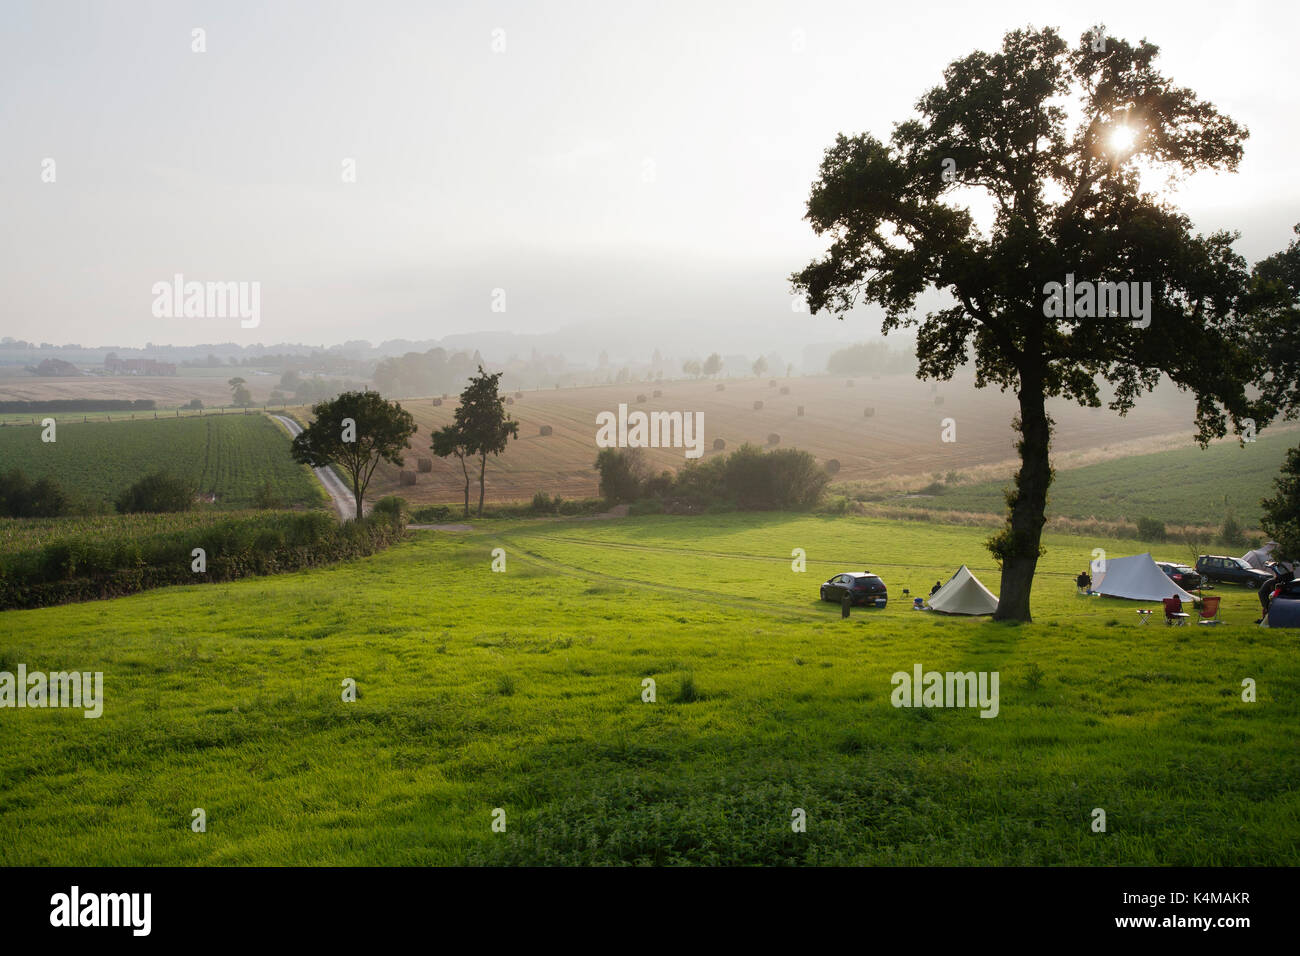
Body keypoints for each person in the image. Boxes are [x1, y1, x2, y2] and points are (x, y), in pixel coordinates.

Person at [1258, 558, 1296, 623]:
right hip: (1263, 594)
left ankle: (1264, 619)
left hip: (1265, 593)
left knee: (1267, 607)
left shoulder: (1275, 580)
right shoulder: (1273, 582)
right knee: (1266, 607)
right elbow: (1272, 590)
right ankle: (1264, 620)